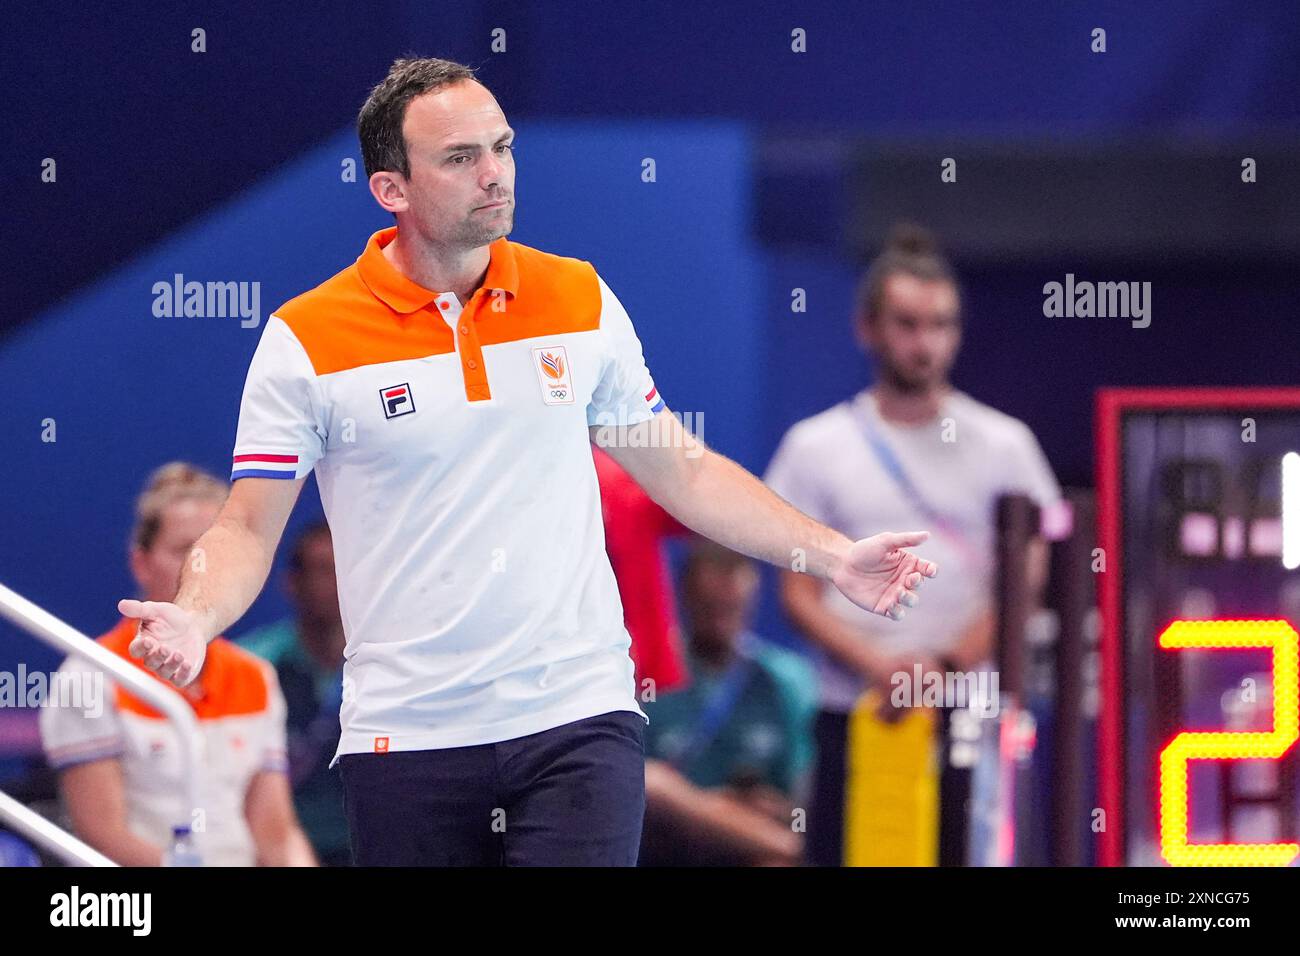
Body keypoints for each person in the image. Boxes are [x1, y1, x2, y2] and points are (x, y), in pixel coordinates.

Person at [121, 57, 937, 867]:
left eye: (502, 147)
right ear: (391, 190)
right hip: (406, 737)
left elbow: (683, 471)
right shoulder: (303, 342)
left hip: (577, 719)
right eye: (460, 157)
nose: (495, 174)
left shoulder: (579, 297)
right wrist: (196, 615)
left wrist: (833, 555)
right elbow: (247, 529)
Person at [765, 223, 1062, 867]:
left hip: (966, 718)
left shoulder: (1005, 445)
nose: (924, 343)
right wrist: (882, 670)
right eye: (906, 322)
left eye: (940, 324)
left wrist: (945, 667)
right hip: (852, 713)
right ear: (866, 328)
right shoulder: (814, 447)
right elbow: (796, 591)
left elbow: (1028, 575)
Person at [40, 463, 316, 866]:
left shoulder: (256, 677)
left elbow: (276, 834)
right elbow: (102, 837)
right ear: (141, 563)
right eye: (184, 550)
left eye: (210, 552)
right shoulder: (90, 677)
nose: (199, 567)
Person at [641, 542, 818, 866]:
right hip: (666, 837)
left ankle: (787, 848)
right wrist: (710, 808)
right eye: (711, 608)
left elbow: (802, 797)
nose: (722, 620)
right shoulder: (649, 671)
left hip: (749, 843)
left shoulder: (784, 680)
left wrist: (773, 807)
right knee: (651, 782)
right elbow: (637, 783)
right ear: (685, 598)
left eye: (733, 608)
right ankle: (793, 848)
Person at [239, 521, 350, 866]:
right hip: (272, 847)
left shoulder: (391, 667)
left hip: (371, 843)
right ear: (292, 583)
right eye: (322, 569)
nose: (335, 582)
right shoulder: (255, 665)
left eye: (343, 569)